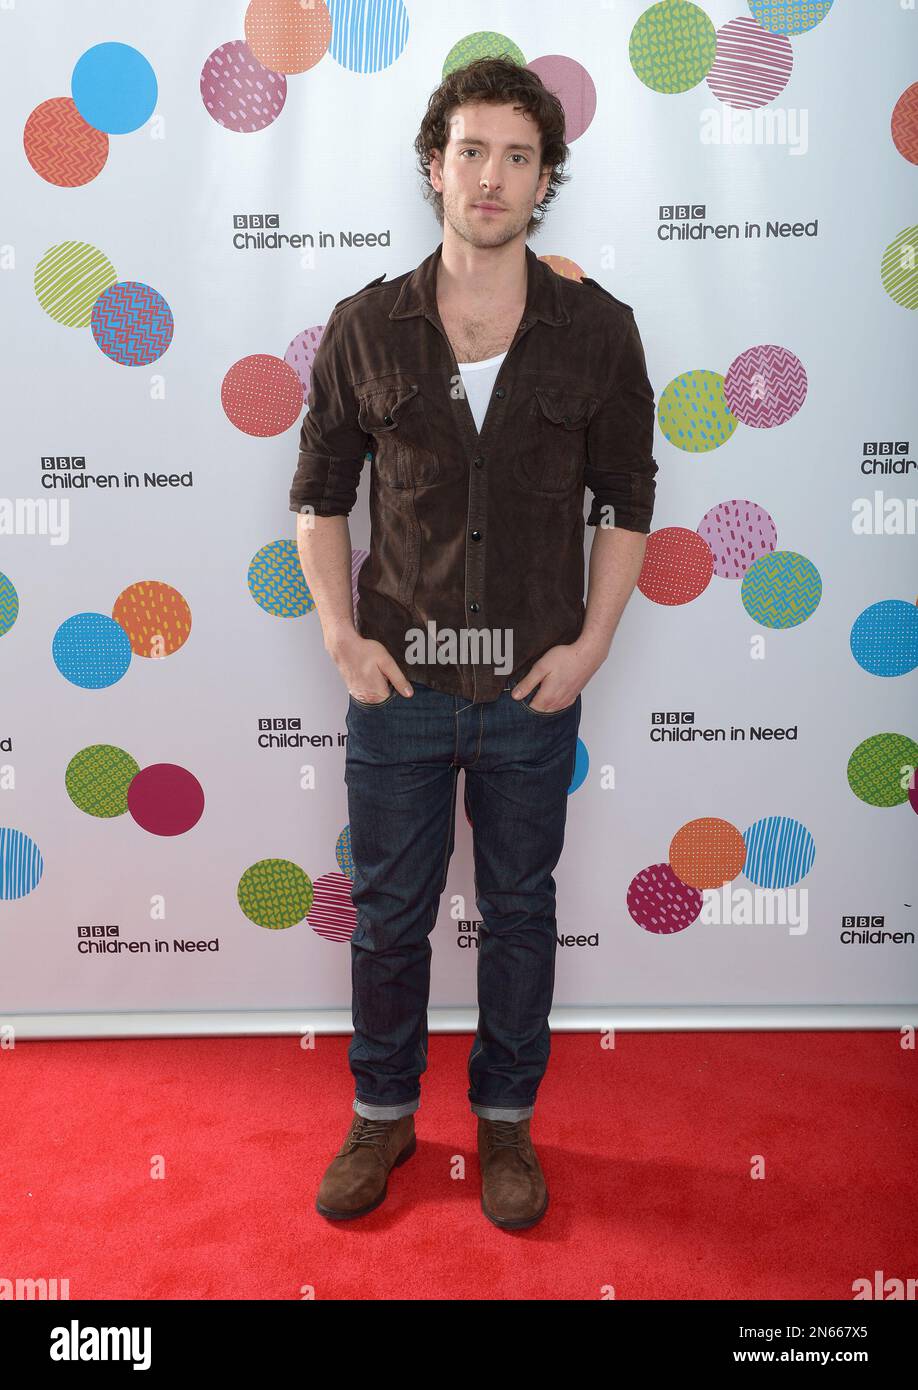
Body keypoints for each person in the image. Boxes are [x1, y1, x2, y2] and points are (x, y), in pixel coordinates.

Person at [289, 56, 658, 1230]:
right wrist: (340, 636)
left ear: (546, 179)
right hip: (397, 684)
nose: (491, 176)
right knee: (389, 916)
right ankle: (383, 1113)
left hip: (532, 690)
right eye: (470, 151)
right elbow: (318, 498)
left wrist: (591, 645)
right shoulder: (365, 327)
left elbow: (628, 502)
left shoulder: (599, 332)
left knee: (520, 912)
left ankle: (505, 1122)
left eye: (517, 156)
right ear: (434, 166)